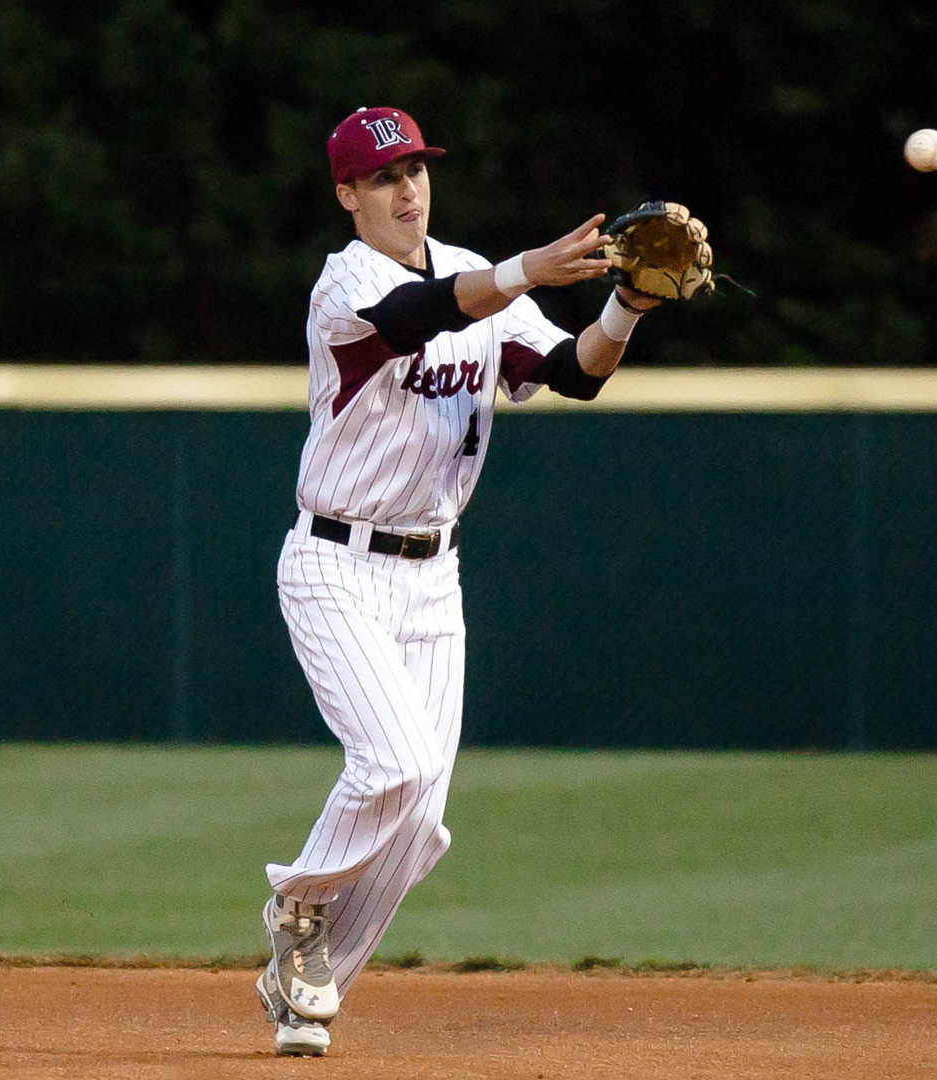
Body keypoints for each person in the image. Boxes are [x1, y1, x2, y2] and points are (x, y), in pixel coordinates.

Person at [254, 105, 663, 1057]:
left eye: (418, 171)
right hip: (334, 564)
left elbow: (574, 371)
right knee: (393, 764)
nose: (408, 189)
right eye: (385, 176)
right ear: (347, 194)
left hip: (434, 580)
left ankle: (303, 982)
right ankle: (297, 904)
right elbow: (413, 319)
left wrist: (627, 307)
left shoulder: (477, 278)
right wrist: (525, 270)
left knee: (423, 819)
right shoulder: (343, 288)